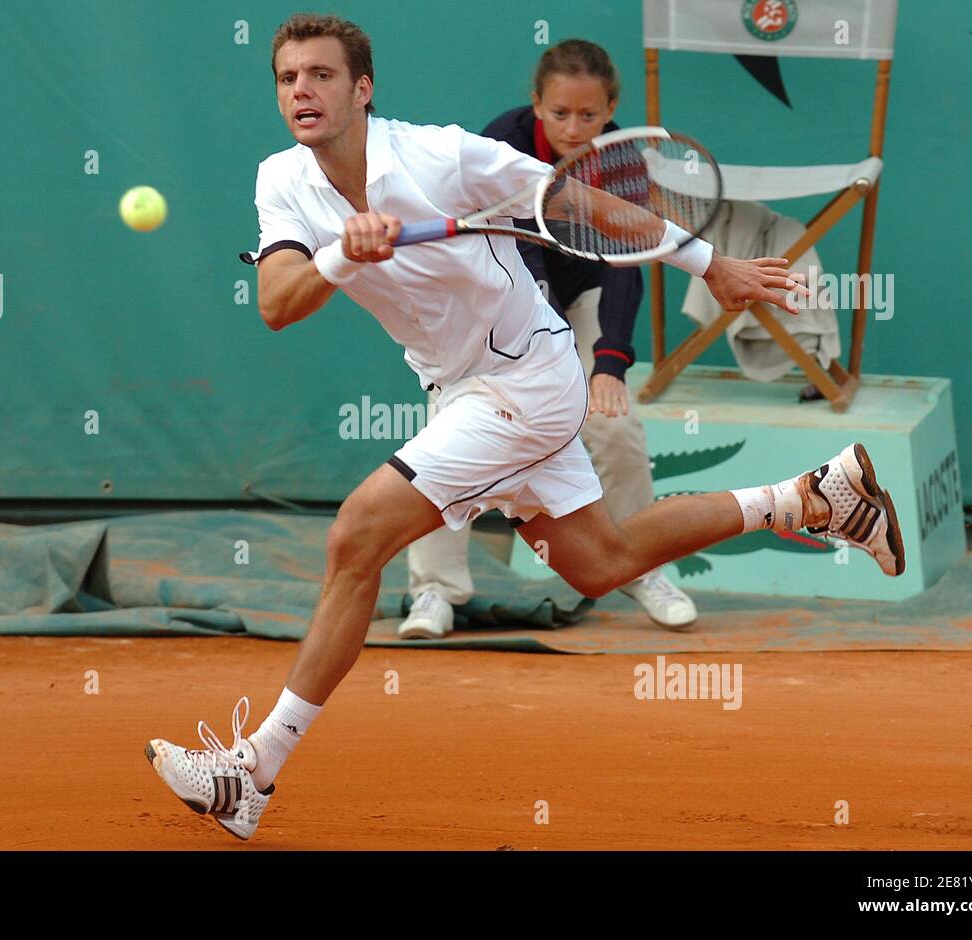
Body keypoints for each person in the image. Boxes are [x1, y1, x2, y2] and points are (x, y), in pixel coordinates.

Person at [144, 14, 904, 841]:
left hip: (523, 381)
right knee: (601, 563)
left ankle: (250, 774)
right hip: (460, 386)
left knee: (356, 538)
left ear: (362, 89)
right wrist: (340, 254)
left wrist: (709, 262)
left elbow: (590, 207)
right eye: (289, 78)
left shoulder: (446, 156)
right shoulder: (281, 178)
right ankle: (815, 499)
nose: (302, 91)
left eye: (322, 76)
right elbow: (278, 303)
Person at [399, 38, 696, 640]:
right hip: (490, 301)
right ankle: (434, 591)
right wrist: (546, 340)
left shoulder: (620, 163)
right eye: (559, 113)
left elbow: (624, 268)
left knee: (616, 429)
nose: (574, 126)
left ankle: (642, 568)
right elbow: (509, 259)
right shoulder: (500, 145)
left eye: (590, 115)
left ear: (611, 106)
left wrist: (608, 365)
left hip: (581, 296)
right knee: (444, 444)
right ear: (536, 104)